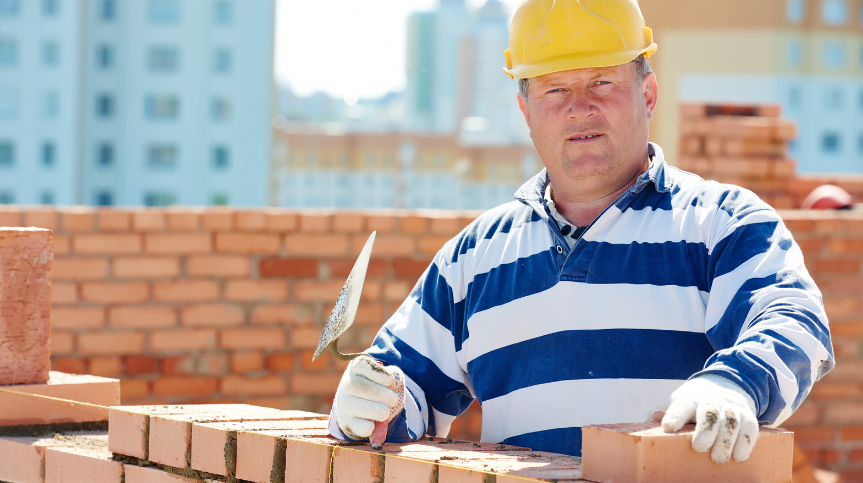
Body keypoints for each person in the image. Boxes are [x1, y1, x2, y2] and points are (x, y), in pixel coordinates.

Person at [328, 0, 834, 464]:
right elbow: (404, 389)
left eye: (602, 82)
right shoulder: (475, 258)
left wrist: (735, 384)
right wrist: (372, 406)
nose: (580, 108)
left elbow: (796, 322)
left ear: (649, 93)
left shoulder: (719, 222)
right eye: (554, 89)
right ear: (526, 112)